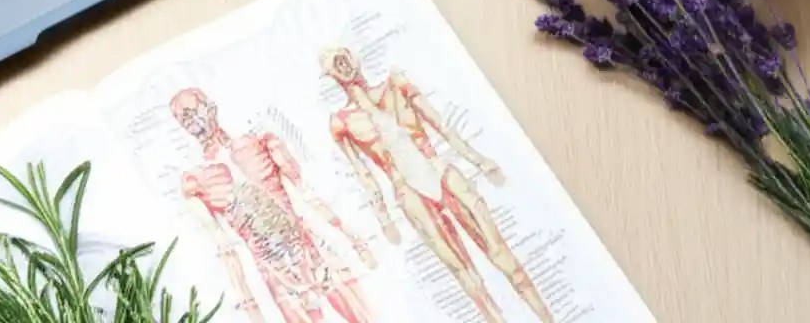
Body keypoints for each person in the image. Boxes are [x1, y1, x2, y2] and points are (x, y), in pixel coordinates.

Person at [319, 47, 554, 323]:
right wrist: (383, 218)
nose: (344, 65)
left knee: (500, 252)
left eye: (345, 57)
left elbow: (440, 125)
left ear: (355, 59)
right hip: (409, 192)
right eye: (337, 63)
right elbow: (363, 173)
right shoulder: (341, 123)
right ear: (331, 74)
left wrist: (478, 160)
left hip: (441, 172)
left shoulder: (396, 84)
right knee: (464, 273)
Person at [171, 87, 375, 323]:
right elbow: (224, 248)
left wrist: (353, 239)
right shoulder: (195, 181)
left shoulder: (259, 143)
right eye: (187, 119)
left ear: (211, 107)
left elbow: (306, 194)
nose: (198, 122)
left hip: (311, 249)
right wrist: (251, 308)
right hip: (275, 272)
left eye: (198, 111)